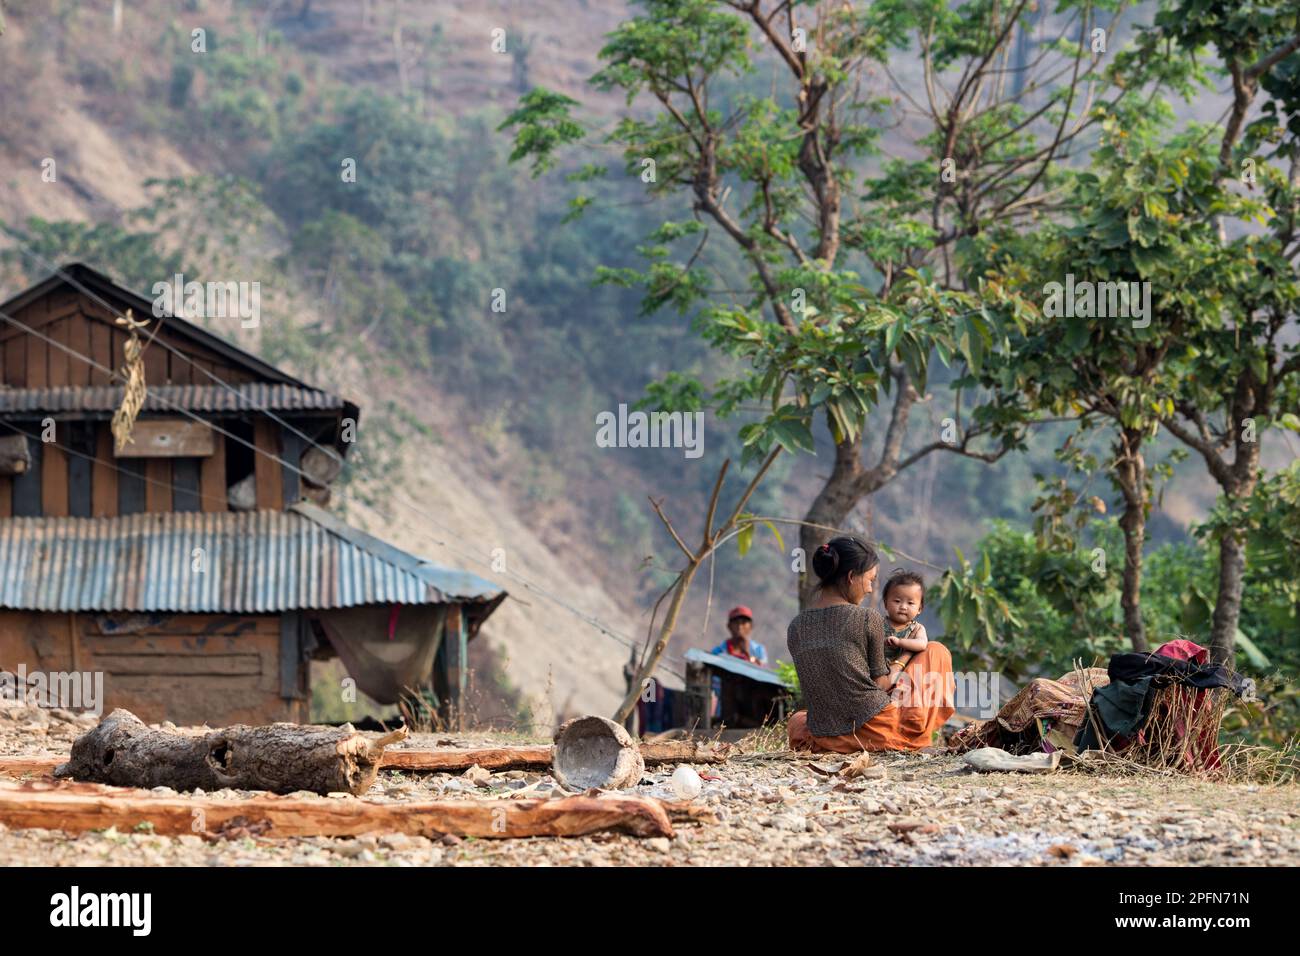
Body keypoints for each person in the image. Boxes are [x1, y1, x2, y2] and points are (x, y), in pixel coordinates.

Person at [786, 537, 955, 753]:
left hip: (825, 736)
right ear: (851, 577)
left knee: (799, 720)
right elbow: (882, 685)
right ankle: (913, 737)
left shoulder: (796, 627)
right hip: (876, 731)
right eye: (869, 580)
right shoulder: (866, 618)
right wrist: (903, 657)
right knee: (935, 651)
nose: (868, 589)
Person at [881, 569, 929, 663]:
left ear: (919, 608)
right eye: (897, 601)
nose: (903, 607)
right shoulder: (878, 623)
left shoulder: (917, 629)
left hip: (905, 672)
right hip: (877, 670)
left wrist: (900, 642)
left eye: (910, 603)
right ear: (886, 603)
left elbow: (922, 644)